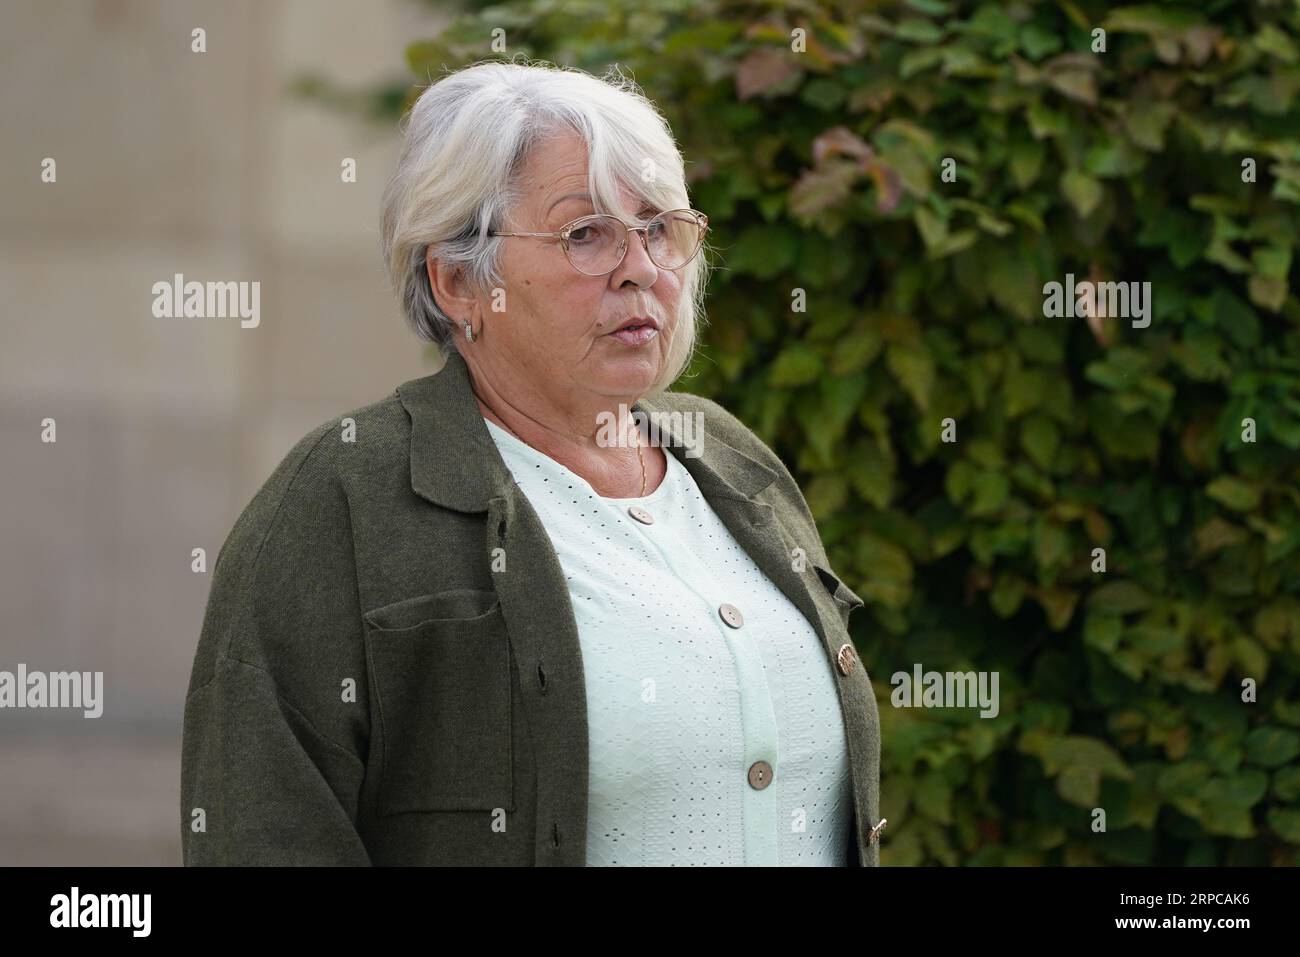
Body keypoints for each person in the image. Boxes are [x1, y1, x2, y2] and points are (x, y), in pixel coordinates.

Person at [181, 58, 882, 866]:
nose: (642, 267)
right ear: (458, 283)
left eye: (660, 228)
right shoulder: (342, 496)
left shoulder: (728, 455)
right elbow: (263, 834)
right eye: (586, 233)